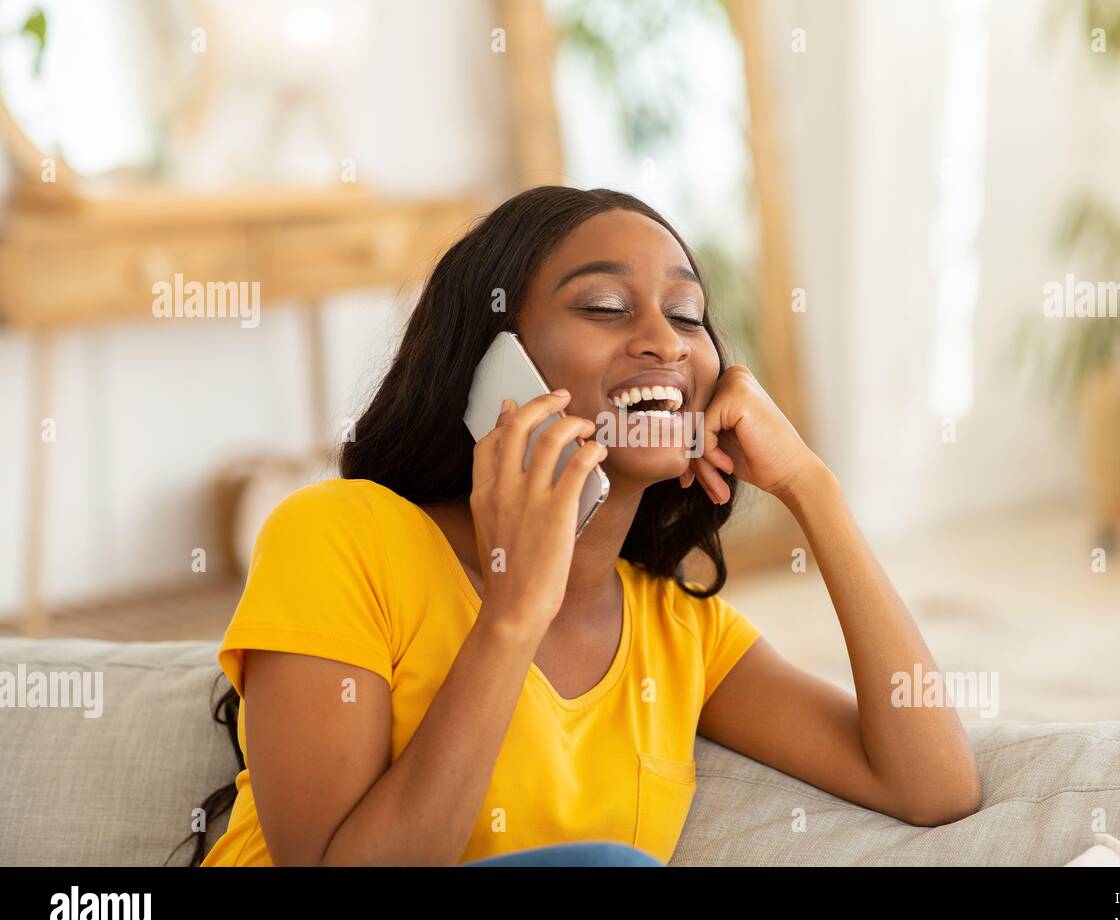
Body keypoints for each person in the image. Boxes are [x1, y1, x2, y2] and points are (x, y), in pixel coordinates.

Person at [188, 185, 981, 867]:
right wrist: (513, 612)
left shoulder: (681, 638)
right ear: (494, 367)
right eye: (604, 307)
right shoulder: (338, 535)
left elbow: (933, 786)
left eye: (688, 315)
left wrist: (812, 486)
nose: (665, 341)